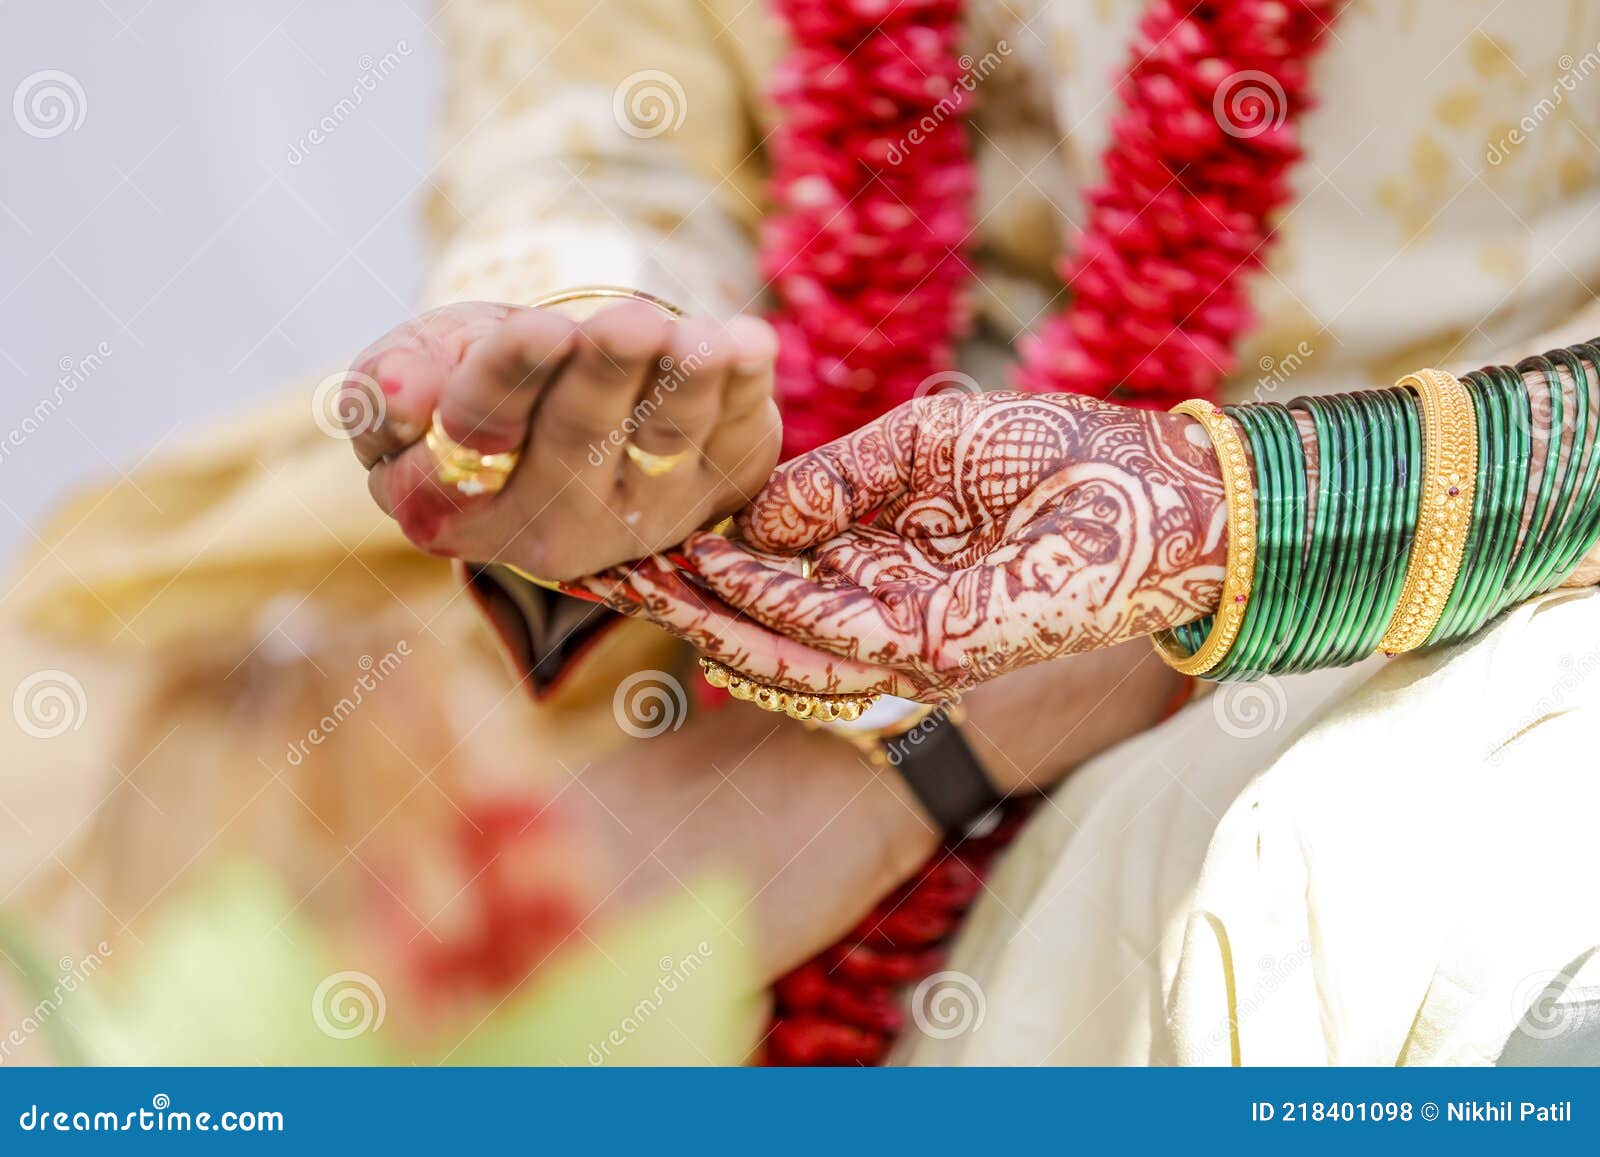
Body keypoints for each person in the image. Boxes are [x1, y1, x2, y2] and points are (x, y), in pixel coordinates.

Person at [5, 0, 1600, 1067]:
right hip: (757, 539)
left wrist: (1222, 527)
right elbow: (588, 121)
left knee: (1348, 930)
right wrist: (583, 382)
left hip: (1440, 558)